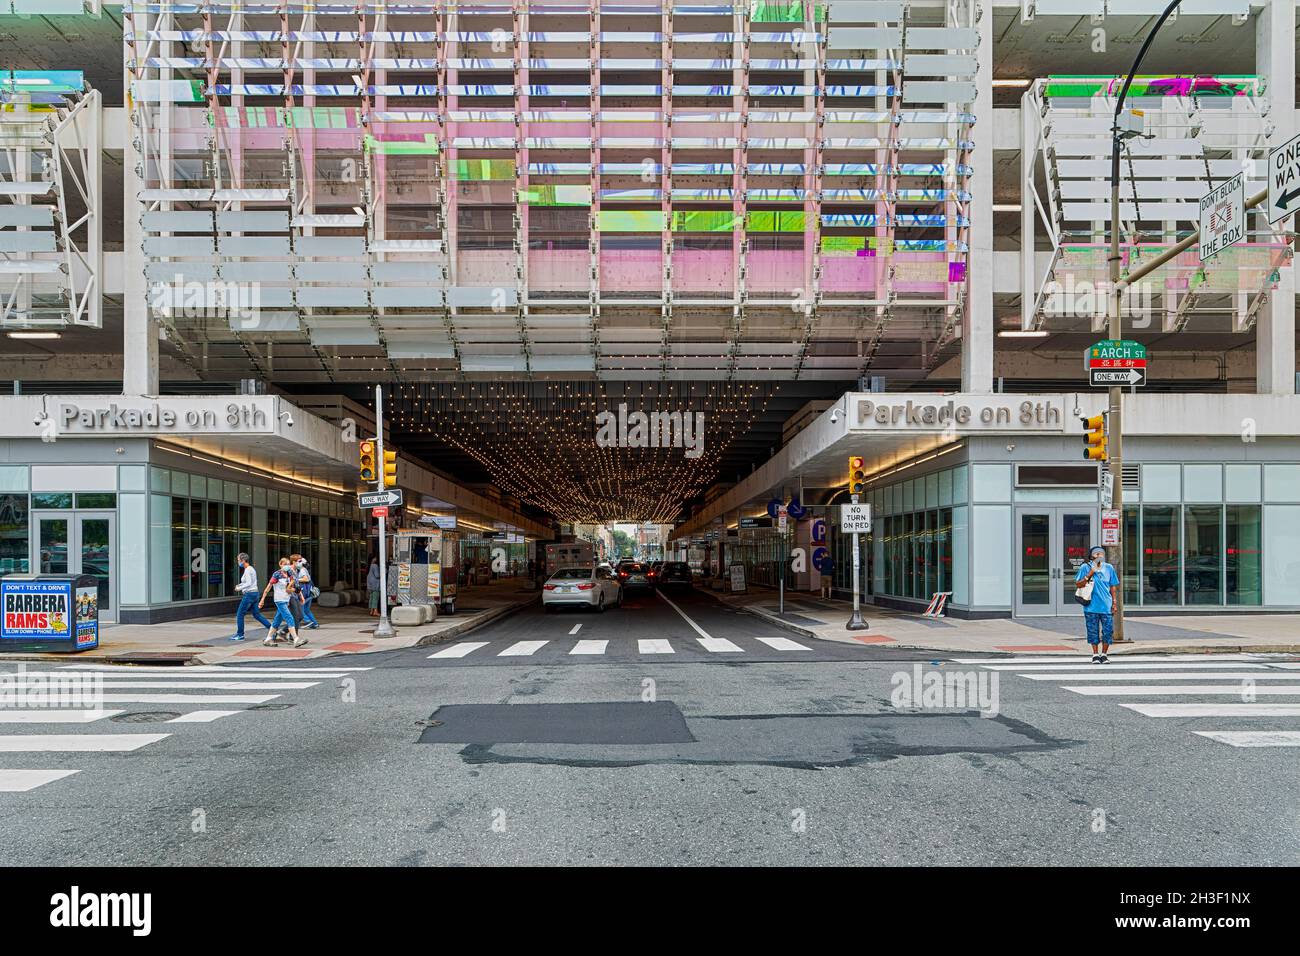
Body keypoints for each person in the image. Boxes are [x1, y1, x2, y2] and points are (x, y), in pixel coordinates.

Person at [1075, 545, 1119, 663]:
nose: (1099, 555)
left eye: (1101, 553)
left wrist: (1114, 603)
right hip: (1091, 606)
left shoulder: (1109, 568)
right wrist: (1090, 573)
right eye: (1096, 553)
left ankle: (1104, 654)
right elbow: (1078, 584)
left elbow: (1113, 586)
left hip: (1106, 606)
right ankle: (1095, 654)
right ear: (1091, 556)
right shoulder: (1085, 567)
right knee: (1092, 631)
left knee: (1108, 631)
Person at [259, 557, 308, 648]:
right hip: (279, 600)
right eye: (284, 564)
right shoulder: (276, 574)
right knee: (289, 618)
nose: (287, 566)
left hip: (286, 600)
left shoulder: (289, 574)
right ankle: (296, 639)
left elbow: (291, 587)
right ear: (280, 564)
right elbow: (269, 587)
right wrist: (262, 599)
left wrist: (299, 594)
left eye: (288, 564)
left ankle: (268, 639)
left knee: (277, 621)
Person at [230, 553, 272, 641]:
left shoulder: (248, 570)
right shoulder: (251, 569)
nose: (238, 562)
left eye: (238, 560)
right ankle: (272, 629)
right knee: (256, 614)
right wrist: (240, 585)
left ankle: (240, 634)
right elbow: (250, 582)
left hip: (249, 595)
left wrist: (239, 588)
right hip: (254, 593)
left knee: (240, 614)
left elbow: (249, 583)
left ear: (243, 560)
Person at [293, 553, 320, 630]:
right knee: (306, 610)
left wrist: (296, 580)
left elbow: (306, 579)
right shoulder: (304, 570)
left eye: (298, 562)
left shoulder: (302, 570)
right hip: (308, 592)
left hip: (304, 592)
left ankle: (309, 622)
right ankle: (315, 623)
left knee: (301, 609)